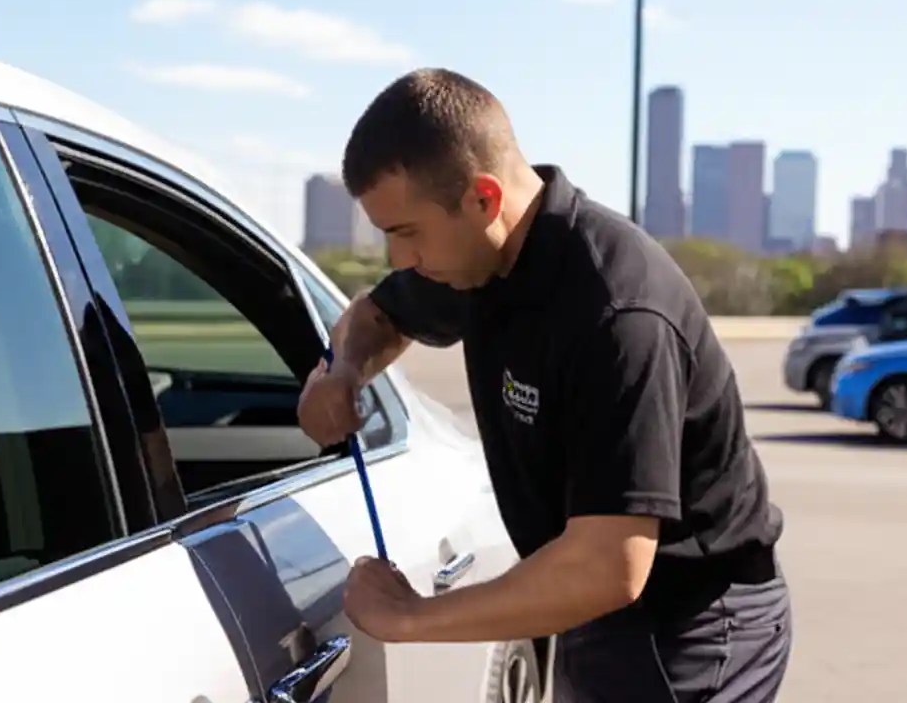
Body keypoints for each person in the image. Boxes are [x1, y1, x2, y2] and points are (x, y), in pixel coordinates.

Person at [296, 68, 792, 702]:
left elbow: (611, 566)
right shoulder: (478, 259)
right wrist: (343, 371)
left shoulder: (618, 313)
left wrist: (408, 618)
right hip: (586, 599)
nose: (400, 260)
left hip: (689, 624)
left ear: (482, 199)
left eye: (405, 233)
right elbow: (378, 314)